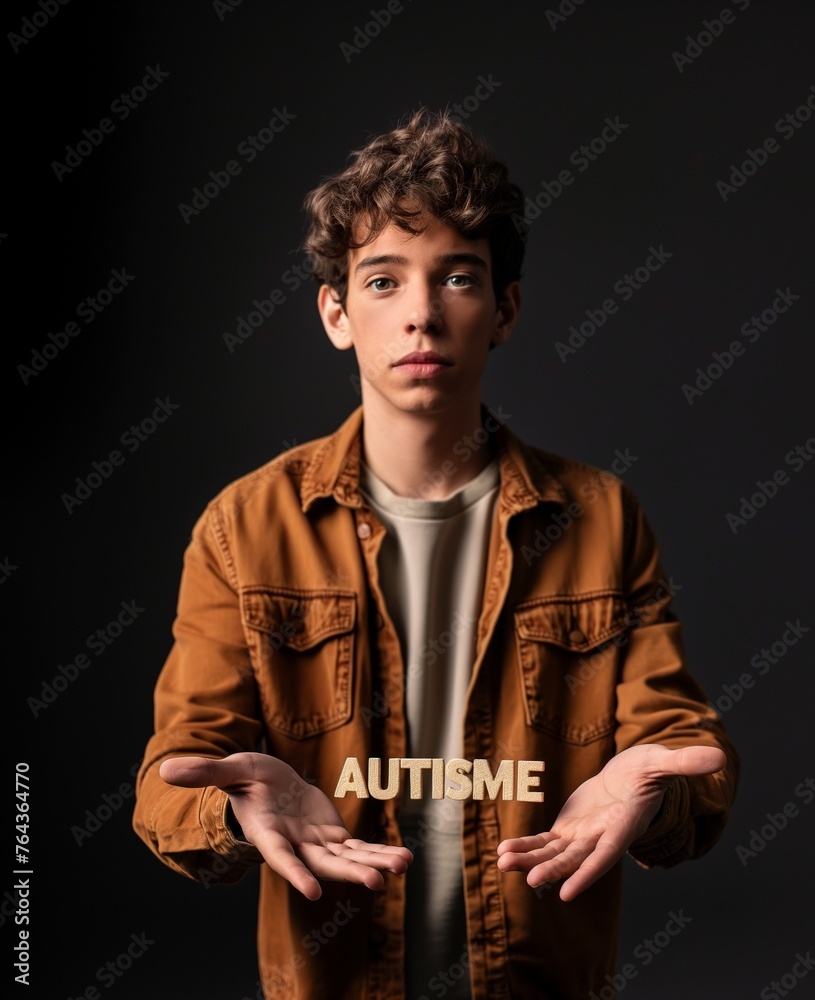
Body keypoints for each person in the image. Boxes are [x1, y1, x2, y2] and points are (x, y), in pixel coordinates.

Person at [132, 107, 739, 1000]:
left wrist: (648, 794)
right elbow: (167, 788)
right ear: (335, 314)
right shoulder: (244, 524)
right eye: (382, 282)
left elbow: (682, 758)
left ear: (504, 309)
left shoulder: (601, 517)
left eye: (457, 277)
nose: (421, 313)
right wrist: (229, 808)